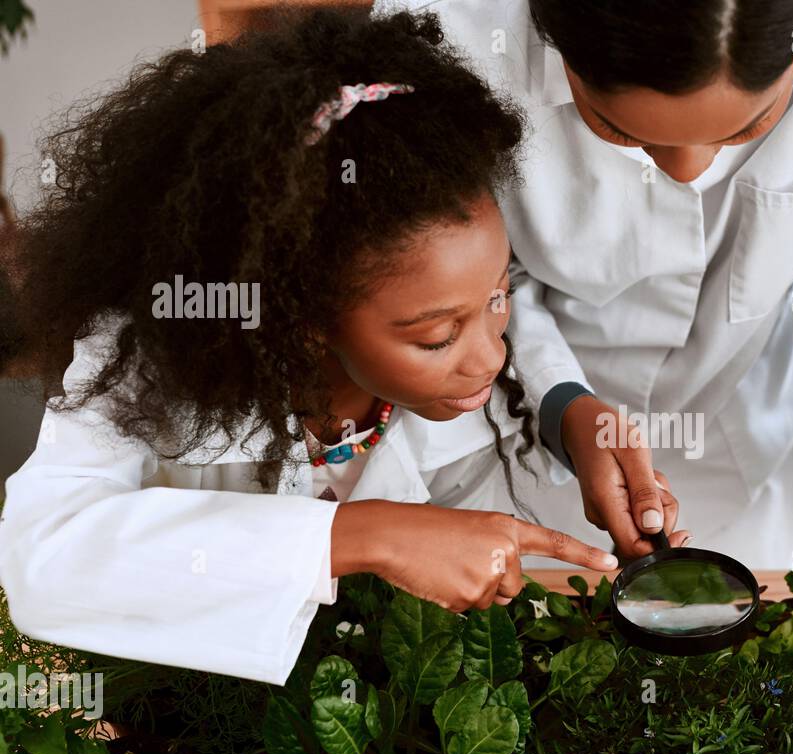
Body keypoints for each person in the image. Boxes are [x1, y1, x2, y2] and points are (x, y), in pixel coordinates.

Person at [0, 9, 630, 684]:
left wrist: (570, 413)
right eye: (437, 337)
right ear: (301, 314)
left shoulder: (459, 317)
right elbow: (43, 559)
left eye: (496, 297)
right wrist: (362, 537)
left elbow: (488, 307)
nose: (489, 358)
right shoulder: (146, 357)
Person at [391, 0, 793, 586]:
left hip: (748, 451)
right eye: (617, 129)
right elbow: (462, 280)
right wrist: (558, 400)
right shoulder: (446, 21)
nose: (687, 172)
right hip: (497, 451)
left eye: (747, 129)